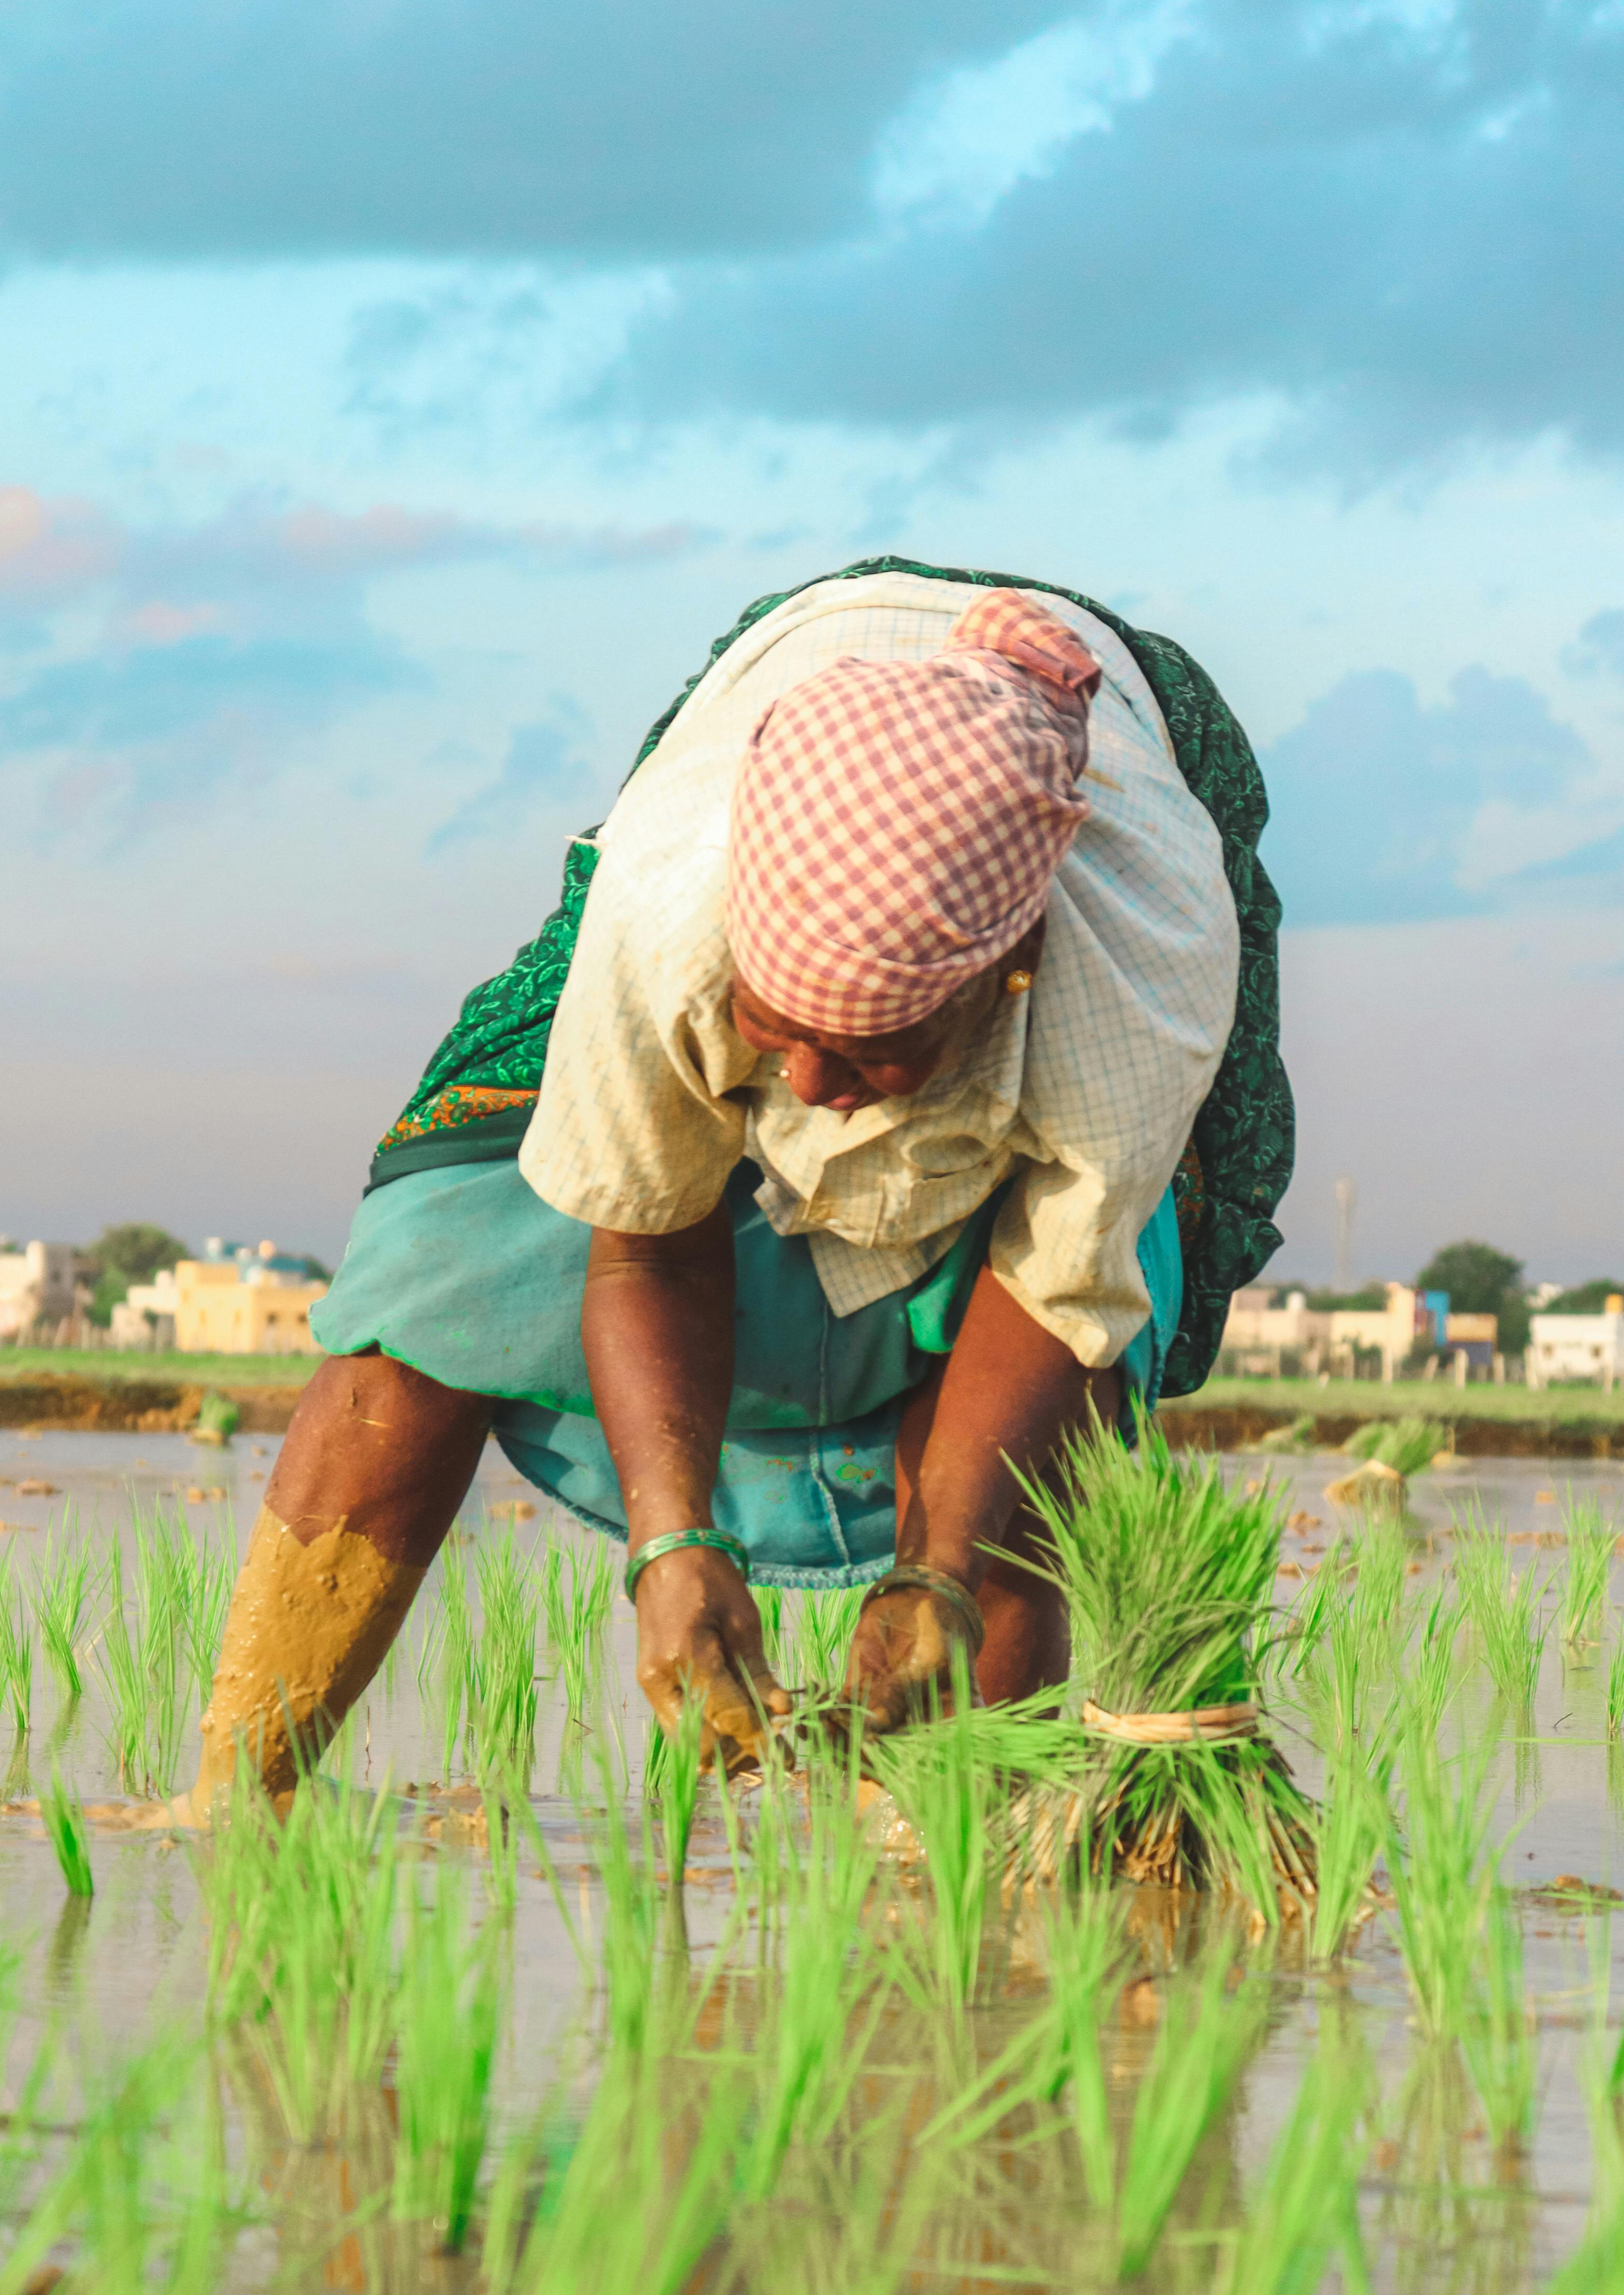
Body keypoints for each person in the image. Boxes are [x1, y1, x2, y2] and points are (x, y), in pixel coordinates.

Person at [181, 558, 1292, 1804]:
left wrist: (930, 1574)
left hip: (1105, 843)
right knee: (427, 1289)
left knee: (1020, 1474)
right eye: (776, 1032)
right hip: (782, 740)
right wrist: (672, 1546)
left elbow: (1047, 1296)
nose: (811, 1088)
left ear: (1009, 965)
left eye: (872, 1050)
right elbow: (648, 1243)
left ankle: (952, 1889)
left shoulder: (1137, 986)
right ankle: (235, 1806)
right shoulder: (664, 902)